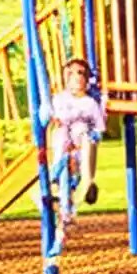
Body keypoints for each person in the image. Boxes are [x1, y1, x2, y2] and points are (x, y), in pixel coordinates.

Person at [48, 58, 105, 219]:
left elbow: (99, 128)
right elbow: (54, 121)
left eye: (81, 73)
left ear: (86, 79)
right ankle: (56, 187)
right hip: (63, 144)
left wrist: (91, 138)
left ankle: (85, 185)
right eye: (72, 73)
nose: (77, 77)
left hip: (81, 146)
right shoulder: (59, 100)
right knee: (62, 140)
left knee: (83, 131)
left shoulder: (90, 104)